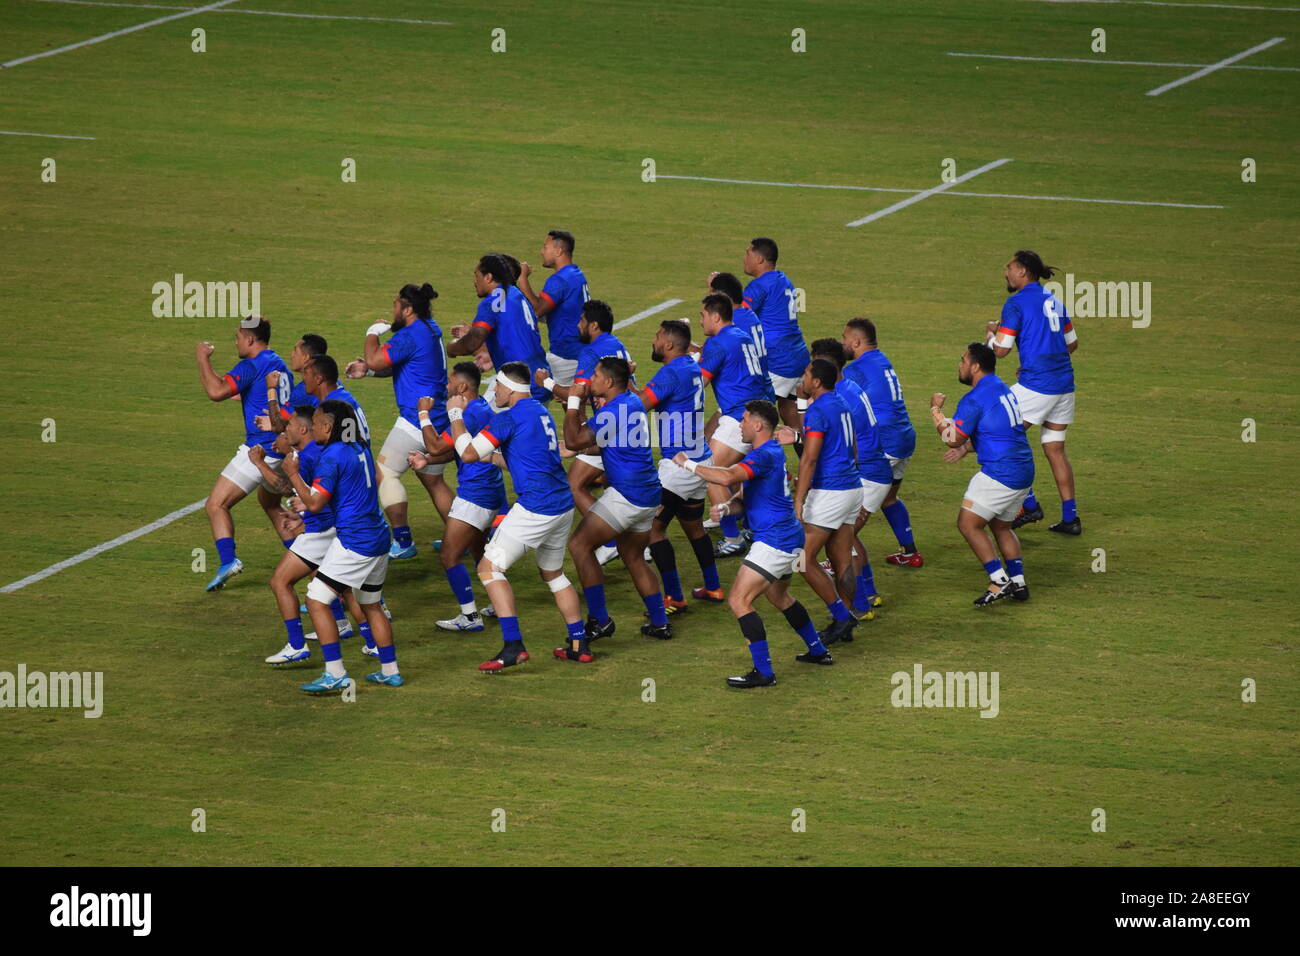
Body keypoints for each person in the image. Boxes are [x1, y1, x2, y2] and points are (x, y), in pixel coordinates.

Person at [673, 400, 834, 688]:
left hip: (775, 540)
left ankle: (764, 672)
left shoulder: (763, 455)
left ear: (758, 425)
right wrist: (727, 509)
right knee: (779, 597)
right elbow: (750, 499)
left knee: (739, 600)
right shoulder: (767, 453)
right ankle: (818, 650)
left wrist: (687, 464)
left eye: (745, 420)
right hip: (789, 537)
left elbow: (726, 476)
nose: (740, 424)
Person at [446, 362, 585, 672]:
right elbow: (526, 457)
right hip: (562, 503)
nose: (494, 391)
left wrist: (455, 415)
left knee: (488, 569)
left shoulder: (508, 418)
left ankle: (513, 646)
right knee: (553, 574)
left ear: (509, 388)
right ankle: (579, 644)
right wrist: (495, 458)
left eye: (496, 385)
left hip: (537, 506)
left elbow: (467, 454)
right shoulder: (539, 411)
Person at [281, 401, 401, 692]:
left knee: (316, 600)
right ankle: (390, 670)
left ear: (328, 427)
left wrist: (294, 473)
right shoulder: (360, 448)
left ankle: (334, 673)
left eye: (320, 421)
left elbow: (316, 502)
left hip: (355, 542)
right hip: (378, 536)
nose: (315, 426)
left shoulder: (332, 456)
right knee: (371, 605)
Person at [561, 357, 672, 657]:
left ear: (608, 383)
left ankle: (599, 619)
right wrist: (582, 445)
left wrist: (573, 402)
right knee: (633, 555)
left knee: (579, 546)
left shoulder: (612, 410)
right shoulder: (632, 402)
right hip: (648, 494)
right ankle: (659, 622)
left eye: (596, 375)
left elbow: (574, 439)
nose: (591, 379)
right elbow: (610, 441)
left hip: (626, 494)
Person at [259, 406, 378, 664]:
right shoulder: (336, 450)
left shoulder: (310, 457)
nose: (285, 429)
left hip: (322, 530)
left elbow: (307, 496)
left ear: (305, 429)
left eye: (290, 425)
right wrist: (302, 514)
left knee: (280, 582)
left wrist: (261, 463)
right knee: (346, 589)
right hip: (339, 526)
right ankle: (371, 642)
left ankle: (297, 645)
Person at [345, 283, 450, 560]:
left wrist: (372, 333)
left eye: (396, 305)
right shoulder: (429, 327)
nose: (393, 311)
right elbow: (403, 366)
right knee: (434, 480)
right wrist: (367, 373)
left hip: (416, 419)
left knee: (384, 473)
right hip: (436, 417)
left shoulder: (411, 334)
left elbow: (376, 358)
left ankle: (403, 541)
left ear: (408, 308)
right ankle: (460, 536)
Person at [195, 315, 295, 591]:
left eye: (238, 337)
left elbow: (216, 392)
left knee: (216, 504)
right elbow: (240, 390)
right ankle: (305, 556)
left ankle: (228, 561)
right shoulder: (277, 363)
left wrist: (203, 358)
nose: (236, 341)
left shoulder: (252, 364)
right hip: (285, 448)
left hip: (261, 449)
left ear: (250, 339)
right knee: (272, 504)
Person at [931, 343, 1035, 607]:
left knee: (968, 523)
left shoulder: (975, 398)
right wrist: (968, 448)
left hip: (1001, 472)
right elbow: (996, 430)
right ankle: (1019, 582)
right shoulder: (1001, 388)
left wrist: (936, 411)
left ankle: (999, 580)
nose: (960, 365)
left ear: (975, 366)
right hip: (1024, 469)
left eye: (963, 360)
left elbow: (951, 437)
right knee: (1001, 526)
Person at [407, 362, 507, 632]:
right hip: (489, 490)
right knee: (478, 550)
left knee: (450, 555)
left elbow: (437, 443)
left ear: (462, 386)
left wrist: (424, 414)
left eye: (451, 381)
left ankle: (470, 616)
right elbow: (457, 449)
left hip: (476, 494)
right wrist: (427, 459)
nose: (446, 386)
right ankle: (498, 604)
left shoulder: (470, 414)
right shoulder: (480, 409)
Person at [633, 319, 723, 609]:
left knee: (652, 530)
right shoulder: (690, 367)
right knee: (693, 526)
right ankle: (713, 587)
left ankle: (674, 595)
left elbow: (639, 406)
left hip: (678, 465)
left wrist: (623, 382)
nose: (654, 340)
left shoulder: (671, 372)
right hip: (699, 459)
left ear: (669, 344)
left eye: (658, 336)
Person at [989, 250, 1081, 535]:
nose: (1006, 272)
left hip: (1038, 385)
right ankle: (1071, 518)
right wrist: (1035, 358)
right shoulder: (1054, 300)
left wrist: (991, 334)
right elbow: (1072, 343)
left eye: (1009, 268)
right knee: (1055, 449)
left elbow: (1001, 350)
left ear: (1022, 271)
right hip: (1064, 385)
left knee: (999, 435)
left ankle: (1029, 505)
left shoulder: (1016, 302)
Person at [808, 338, 890, 618]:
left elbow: (827, 447)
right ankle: (867, 597)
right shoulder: (847, 387)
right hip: (868, 471)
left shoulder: (837, 400)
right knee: (847, 542)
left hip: (862, 474)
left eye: (812, 363)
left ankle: (855, 609)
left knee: (829, 550)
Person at [540, 299, 631, 523]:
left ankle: (611, 537)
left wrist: (548, 383)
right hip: (625, 420)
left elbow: (576, 392)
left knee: (575, 485)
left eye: (582, 321)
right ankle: (631, 540)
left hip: (609, 427)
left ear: (593, 326)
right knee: (616, 487)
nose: (578, 326)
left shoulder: (591, 352)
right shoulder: (617, 344)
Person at [790, 359, 861, 645]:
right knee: (842, 558)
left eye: (806, 374)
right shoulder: (842, 403)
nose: (804, 378)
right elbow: (853, 449)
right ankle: (844, 621)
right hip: (852, 488)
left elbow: (809, 457)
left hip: (830, 491)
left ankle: (843, 617)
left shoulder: (818, 410)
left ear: (816, 382)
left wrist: (799, 499)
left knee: (802, 559)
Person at [842, 318, 922, 567]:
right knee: (888, 499)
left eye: (844, 338)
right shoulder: (881, 359)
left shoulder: (854, 371)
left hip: (884, 442)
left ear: (856, 341)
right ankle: (910, 553)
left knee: (854, 508)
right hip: (904, 437)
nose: (842, 342)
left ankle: (839, 557)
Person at [697, 293, 770, 558]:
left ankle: (732, 536)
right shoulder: (742, 335)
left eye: (703, 315)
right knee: (746, 478)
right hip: (761, 415)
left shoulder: (717, 343)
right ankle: (750, 526)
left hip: (740, 418)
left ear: (716, 316)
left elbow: (698, 384)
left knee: (708, 470)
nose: (700, 320)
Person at [447, 254, 551, 406]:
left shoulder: (495, 299)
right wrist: (489, 351)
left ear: (488, 277)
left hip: (518, 387)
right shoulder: (516, 294)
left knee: (473, 419)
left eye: (477, 276)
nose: (475, 281)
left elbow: (474, 341)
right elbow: (514, 336)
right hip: (538, 379)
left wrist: (452, 348)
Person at [741, 237, 810, 440]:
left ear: (760, 260)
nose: (744, 258)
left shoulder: (758, 287)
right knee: (791, 416)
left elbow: (739, 319)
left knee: (751, 417)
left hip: (777, 362)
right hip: (798, 356)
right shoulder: (782, 279)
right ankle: (816, 462)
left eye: (748, 253)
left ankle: (752, 468)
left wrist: (716, 291)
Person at [517, 229, 589, 386]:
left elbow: (538, 309)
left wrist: (522, 279)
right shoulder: (576, 274)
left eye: (545, 247)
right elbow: (560, 311)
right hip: (579, 351)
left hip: (566, 355)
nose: (542, 251)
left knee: (528, 388)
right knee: (575, 404)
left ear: (558, 250)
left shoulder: (560, 279)